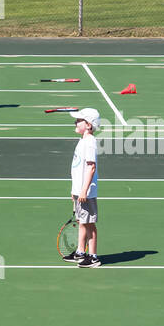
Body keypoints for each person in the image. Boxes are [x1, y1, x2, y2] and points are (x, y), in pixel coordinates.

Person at [65, 108, 101, 267]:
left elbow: (91, 167)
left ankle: (93, 257)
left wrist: (84, 190)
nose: (76, 122)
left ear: (88, 125)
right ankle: (80, 252)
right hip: (79, 191)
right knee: (82, 221)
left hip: (86, 192)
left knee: (89, 223)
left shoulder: (90, 143)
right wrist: (75, 191)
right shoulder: (83, 141)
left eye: (79, 120)